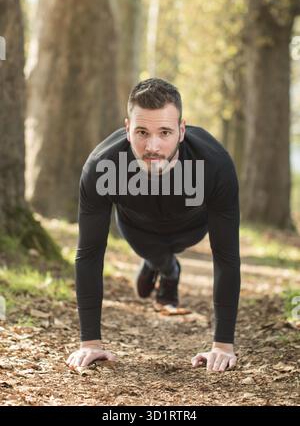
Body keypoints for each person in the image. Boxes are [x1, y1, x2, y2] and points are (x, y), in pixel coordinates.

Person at [66, 78, 240, 373]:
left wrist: (222, 346)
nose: (153, 146)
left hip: (192, 228)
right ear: (127, 129)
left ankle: (165, 267)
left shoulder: (214, 164)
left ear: (182, 131)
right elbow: (89, 254)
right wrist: (89, 343)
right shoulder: (101, 165)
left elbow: (226, 256)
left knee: (168, 252)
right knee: (159, 256)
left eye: (165, 132)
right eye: (142, 132)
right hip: (137, 229)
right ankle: (167, 270)